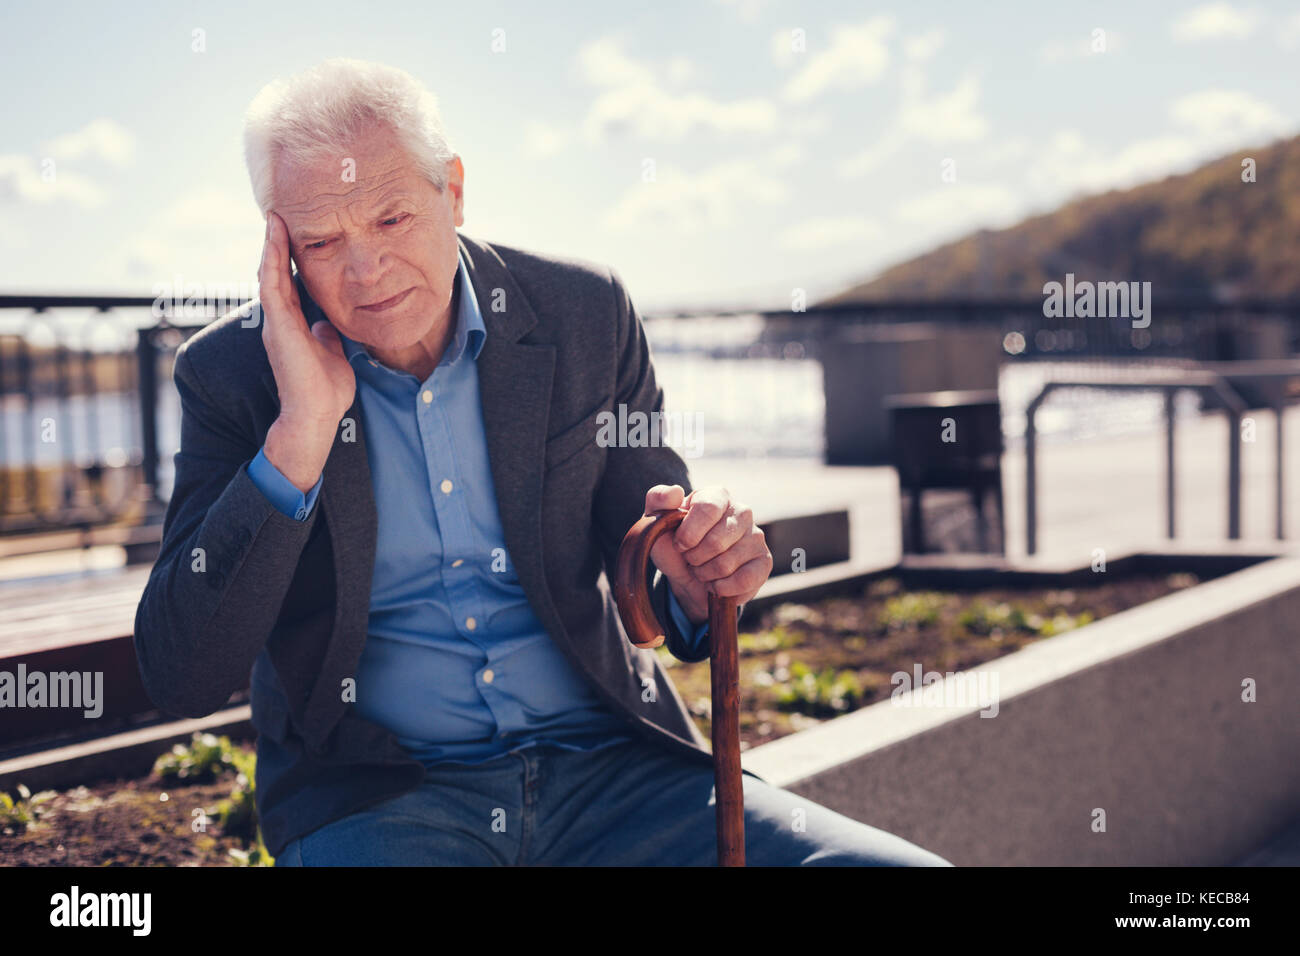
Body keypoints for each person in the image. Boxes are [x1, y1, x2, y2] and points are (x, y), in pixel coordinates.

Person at [133, 57, 952, 867]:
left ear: (452, 190)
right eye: (321, 241)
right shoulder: (233, 375)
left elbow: (659, 560)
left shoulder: (583, 314)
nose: (363, 270)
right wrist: (299, 435)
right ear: (279, 250)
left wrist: (704, 575)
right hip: (380, 801)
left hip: (616, 774)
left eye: (390, 220)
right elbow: (182, 672)